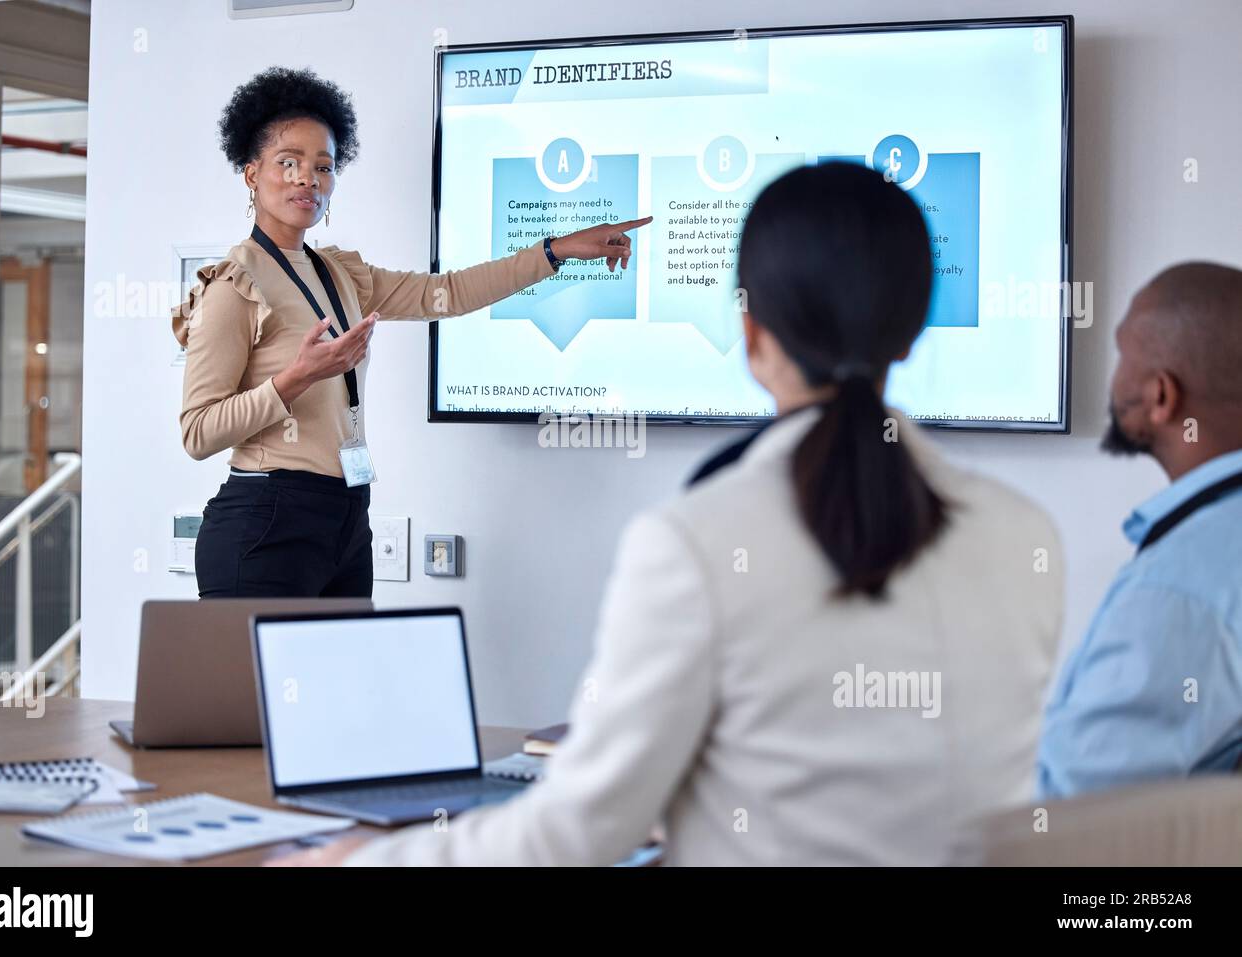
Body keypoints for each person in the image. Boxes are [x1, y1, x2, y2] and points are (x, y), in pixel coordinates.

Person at [273, 162, 1063, 867]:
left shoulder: (696, 542)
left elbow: (576, 834)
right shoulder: (1026, 535)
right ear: (918, 322)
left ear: (750, 331)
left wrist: (352, 862)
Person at [171, 66, 649, 598]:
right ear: (252, 172)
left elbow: (445, 293)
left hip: (346, 514)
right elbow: (198, 432)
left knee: (346, 682)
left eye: (323, 167)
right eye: (289, 162)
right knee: (254, 685)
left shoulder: (337, 273)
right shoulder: (234, 285)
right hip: (266, 519)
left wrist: (555, 250)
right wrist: (296, 379)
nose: (308, 178)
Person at [1037, 263, 1242, 798]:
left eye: (1123, 354)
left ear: (1160, 397)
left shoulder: (1181, 592)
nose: (1114, 377)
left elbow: (1071, 818)